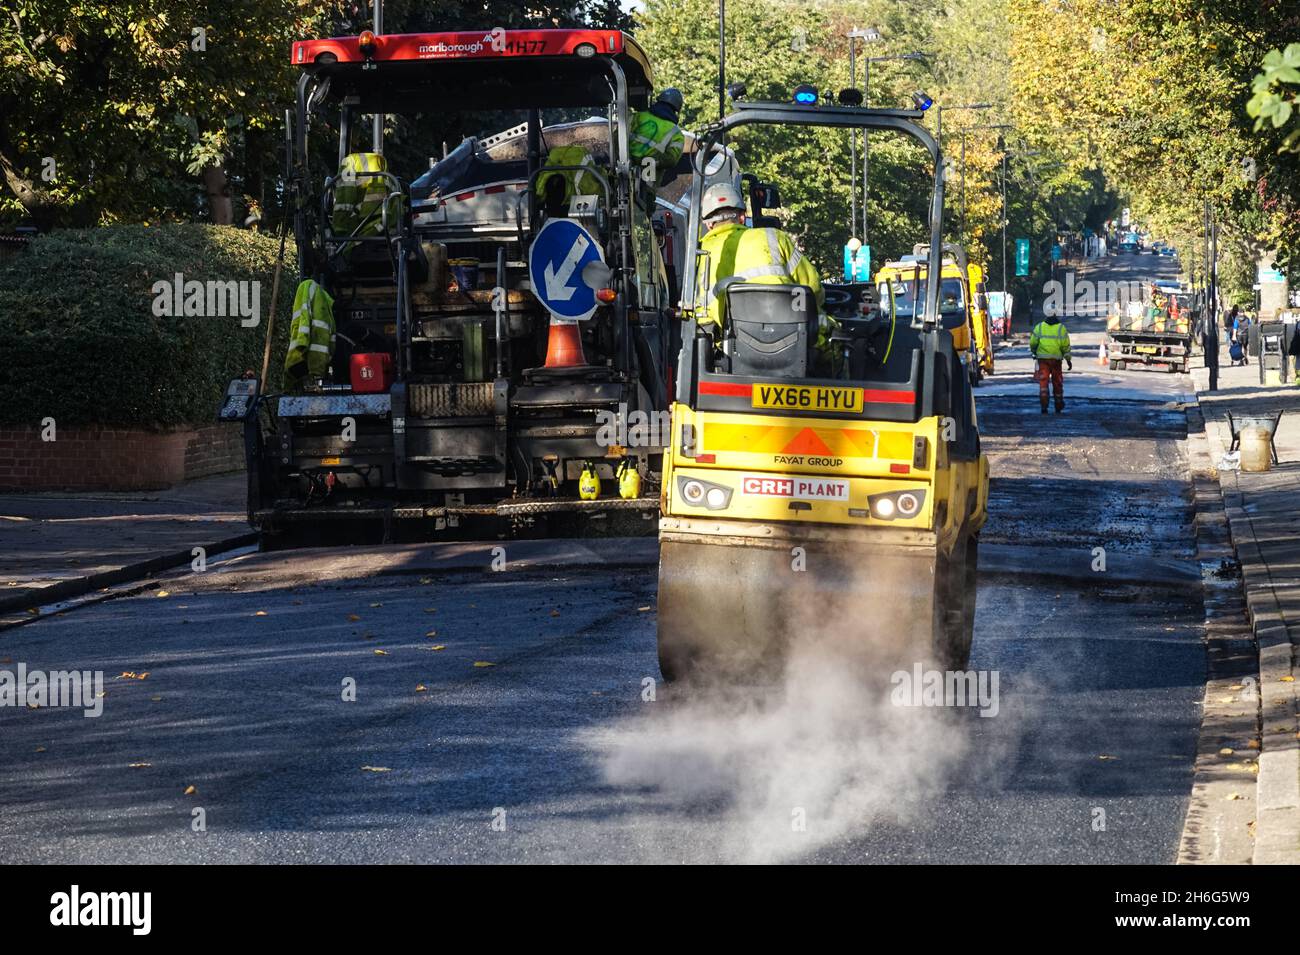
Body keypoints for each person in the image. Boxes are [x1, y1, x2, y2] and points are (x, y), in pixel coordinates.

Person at [696, 182, 824, 332]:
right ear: (742, 217)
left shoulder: (700, 253)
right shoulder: (774, 237)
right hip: (792, 339)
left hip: (732, 347)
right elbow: (813, 288)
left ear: (709, 225)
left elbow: (702, 315)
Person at [630, 88, 686, 185]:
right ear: (676, 110)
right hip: (647, 181)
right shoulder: (676, 133)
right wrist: (651, 160)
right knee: (645, 197)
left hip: (623, 172)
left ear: (658, 100)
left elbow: (617, 137)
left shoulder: (638, 116)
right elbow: (671, 159)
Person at [1030, 313, 1071, 413]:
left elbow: (1033, 343)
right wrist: (1068, 359)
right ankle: (1058, 405)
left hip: (1043, 359)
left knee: (1043, 382)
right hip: (1056, 360)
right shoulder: (1061, 328)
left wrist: (1035, 352)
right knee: (1057, 382)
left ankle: (1044, 406)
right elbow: (1065, 346)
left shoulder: (1039, 327)